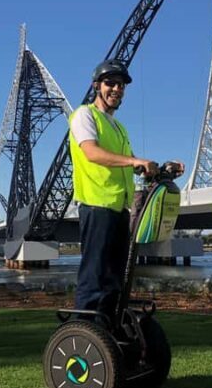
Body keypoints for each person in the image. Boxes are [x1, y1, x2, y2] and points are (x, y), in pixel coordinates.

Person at [68, 59, 171, 326]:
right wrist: (134, 161)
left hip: (120, 210)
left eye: (121, 85)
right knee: (94, 278)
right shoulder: (84, 115)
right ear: (96, 86)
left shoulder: (119, 128)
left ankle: (107, 332)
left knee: (115, 281)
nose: (116, 89)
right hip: (96, 206)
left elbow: (130, 164)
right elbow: (92, 152)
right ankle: (82, 333)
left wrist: (157, 169)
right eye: (110, 83)